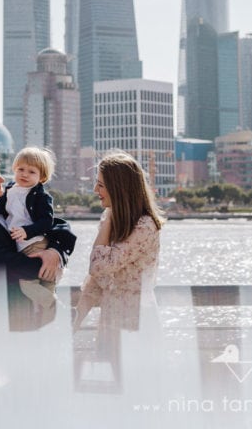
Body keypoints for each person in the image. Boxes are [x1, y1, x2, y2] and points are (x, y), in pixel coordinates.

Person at [0, 147, 75, 331]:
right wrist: (44, 265)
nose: (2, 179)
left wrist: (55, 252)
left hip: (34, 316)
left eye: (0, 173)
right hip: (2, 319)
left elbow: (57, 225)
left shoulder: (8, 199)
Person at [73, 150, 164, 391]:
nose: (95, 191)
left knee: (136, 391)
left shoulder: (145, 226)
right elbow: (96, 279)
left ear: (119, 188)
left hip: (136, 321)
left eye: (101, 185)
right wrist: (76, 321)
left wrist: (105, 224)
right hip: (111, 321)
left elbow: (99, 264)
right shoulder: (113, 219)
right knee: (111, 394)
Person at [0, 147, 58, 319]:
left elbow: (47, 222)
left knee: (32, 283)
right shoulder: (10, 189)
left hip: (35, 243)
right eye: (21, 169)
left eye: (31, 172)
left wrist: (27, 231)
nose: (24, 174)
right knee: (37, 286)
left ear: (41, 177)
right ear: (14, 169)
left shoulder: (41, 196)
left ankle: (56, 308)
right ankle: (48, 315)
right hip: (20, 246)